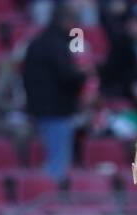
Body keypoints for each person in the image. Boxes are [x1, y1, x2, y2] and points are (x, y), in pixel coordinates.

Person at [22, 1, 90, 182]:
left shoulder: (37, 43)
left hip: (41, 109)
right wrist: (83, 74)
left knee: (54, 158)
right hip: (57, 110)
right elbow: (66, 76)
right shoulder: (57, 45)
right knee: (57, 164)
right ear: (66, 21)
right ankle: (52, 200)